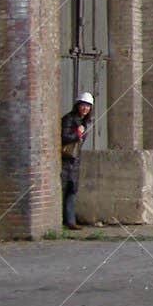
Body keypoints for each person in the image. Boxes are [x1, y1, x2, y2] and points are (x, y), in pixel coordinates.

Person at [60, 92, 94, 230]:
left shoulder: (84, 121)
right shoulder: (69, 119)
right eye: (83, 105)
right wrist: (77, 134)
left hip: (75, 159)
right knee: (65, 187)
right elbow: (63, 137)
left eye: (88, 106)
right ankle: (66, 220)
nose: (85, 108)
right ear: (78, 105)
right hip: (67, 159)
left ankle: (70, 220)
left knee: (73, 189)